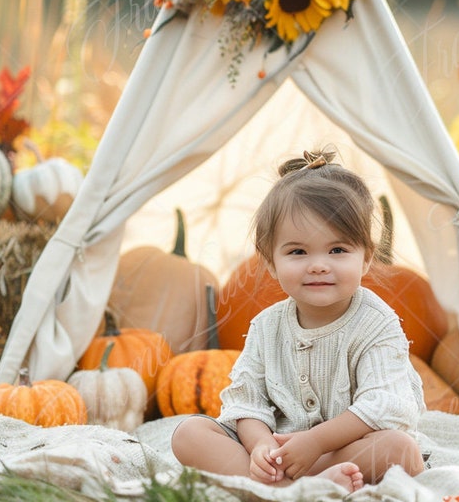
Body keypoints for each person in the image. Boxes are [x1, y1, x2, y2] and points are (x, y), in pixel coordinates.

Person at [171, 149, 426, 492]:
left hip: (343, 449)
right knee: (189, 434)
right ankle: (285, 486)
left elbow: (385, 404)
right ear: (271, 262)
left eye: (337, 250)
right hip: (280, 452)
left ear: (366, 258)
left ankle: (282, 488)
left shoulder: (377, 323)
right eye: (298, 252)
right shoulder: (266, 326)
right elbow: (246, 400)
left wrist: (316, 442)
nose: (318, 265)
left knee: (401, 449)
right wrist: (260, 445)